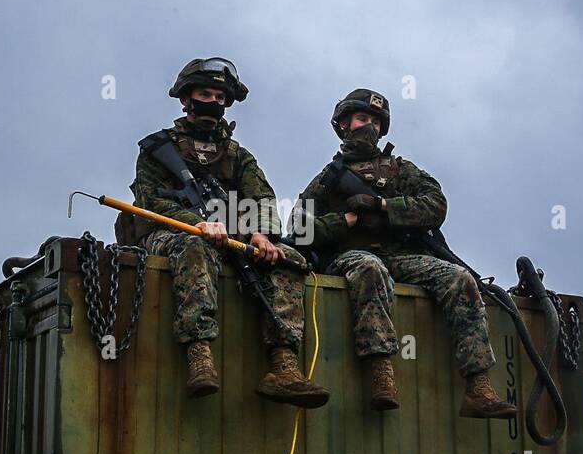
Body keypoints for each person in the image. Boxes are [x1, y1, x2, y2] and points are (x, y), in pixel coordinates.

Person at [290, 88, 516, 416]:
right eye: (361, 118)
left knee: (458, 278)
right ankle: (381, 375)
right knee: (370, 270)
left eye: (375, 121)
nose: (368, 126)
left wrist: (384, 207)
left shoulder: (400, 170)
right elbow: (300, 230)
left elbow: (435, 205)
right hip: (353, 256)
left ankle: (478, 387)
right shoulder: (328, 180)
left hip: (401, 255)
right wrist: (348, 220)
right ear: (343, 124)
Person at [124, 57, 329, 407]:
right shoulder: (158, 149)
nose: (214, 103)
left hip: (230, 236)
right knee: (193, 246)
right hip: (170, 232)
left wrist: (262, 235)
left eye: (220, 97)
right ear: (186, 99)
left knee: (288, 259)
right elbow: (151, 201)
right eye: (206, 94)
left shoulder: (237, 155)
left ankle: (284, 366)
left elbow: (262, 198)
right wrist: (197, 224)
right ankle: (199, 356)